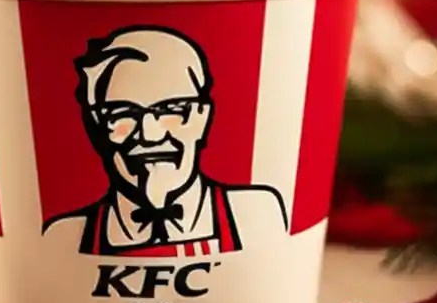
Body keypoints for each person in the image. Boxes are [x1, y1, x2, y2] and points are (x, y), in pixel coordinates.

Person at [44, 26, 288, 257]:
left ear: (202, 118)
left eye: (173, 109)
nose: (151, 135)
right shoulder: (66, 235)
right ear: (98, 127)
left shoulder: (254, 213)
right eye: (122, 114)